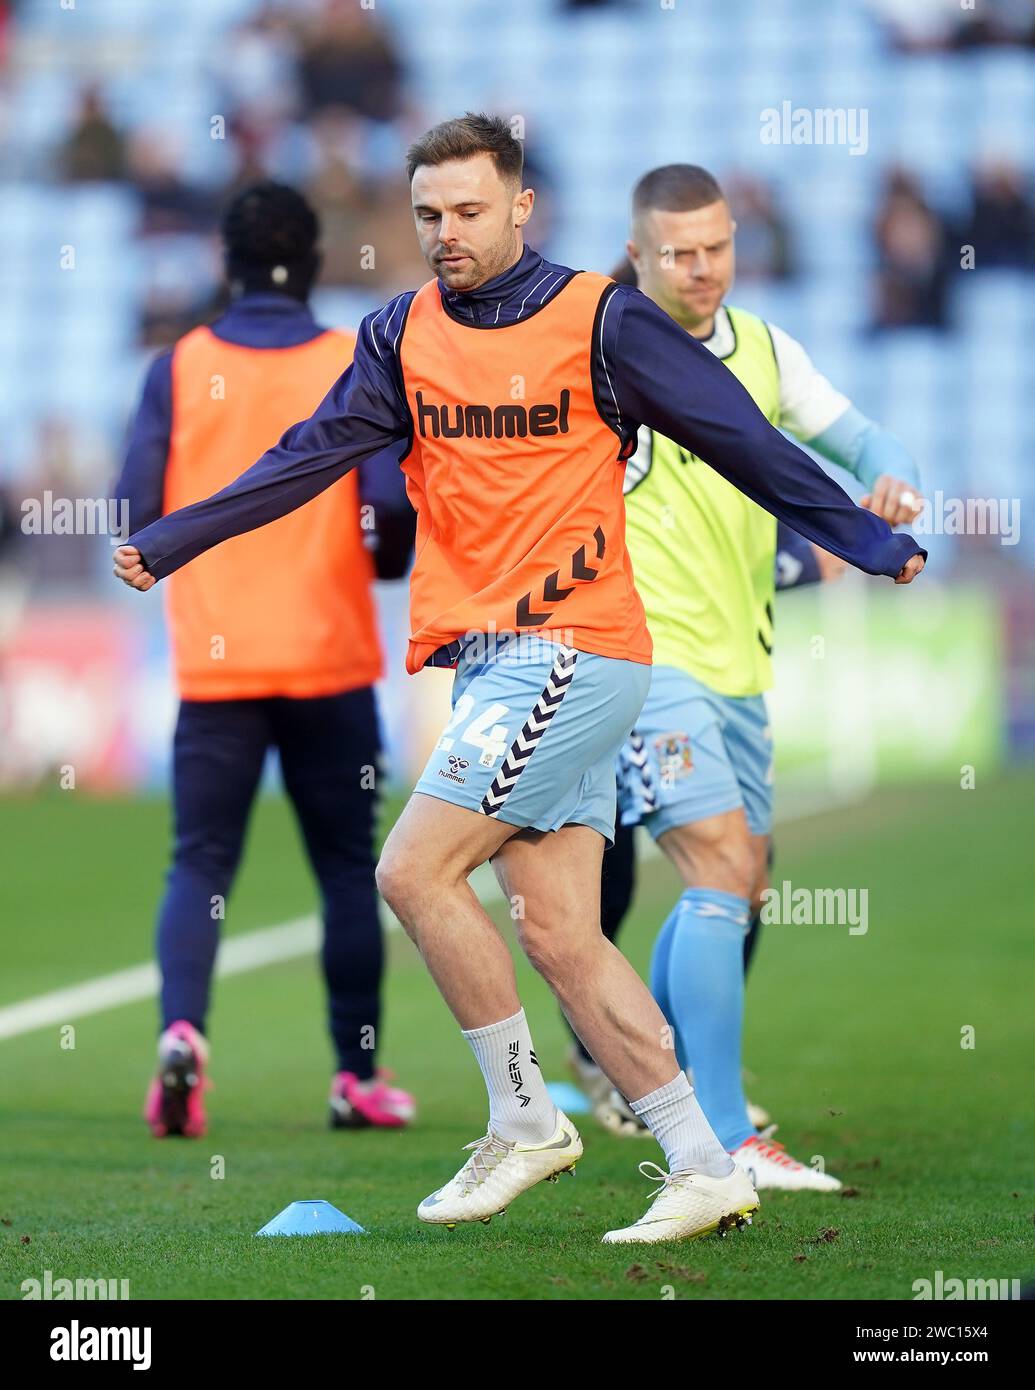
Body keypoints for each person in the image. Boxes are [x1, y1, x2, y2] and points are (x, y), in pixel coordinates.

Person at [114, 114, 924, 1246]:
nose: (447, 233)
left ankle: (526, 1118)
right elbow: (306, 456)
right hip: (500, 661)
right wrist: (179, 534)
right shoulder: (400, 335)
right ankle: (702, 1161)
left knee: (412, 869)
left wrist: (870, 538)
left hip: (573, 649)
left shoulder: (600, 319)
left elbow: (740, 433)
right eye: (429, 215)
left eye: (469, 211)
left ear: (521, 205)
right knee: (559, 932)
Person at [570, 166, 922, 1193]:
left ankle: (655, 1073)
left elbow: (861, 438)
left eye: (716, 246)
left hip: (739, 664)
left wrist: (888, 476)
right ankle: (724, 1140)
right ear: (637, 254)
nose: (702, 268)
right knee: (720, 865)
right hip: (645, 659)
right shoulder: (602, 359)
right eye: (678, 252)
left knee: (742, 878)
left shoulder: (766, 348)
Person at [114, 181, 416, 1138]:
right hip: (330, 661)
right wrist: (382, 558)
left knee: (199, 863)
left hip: (217, 668)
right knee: (344, 873)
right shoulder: (350, 359)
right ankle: (355, 1078)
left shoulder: (178, 366)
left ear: (224, 261)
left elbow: (134, 516)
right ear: (316, 260)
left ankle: (183, 1033)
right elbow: (392, 515)